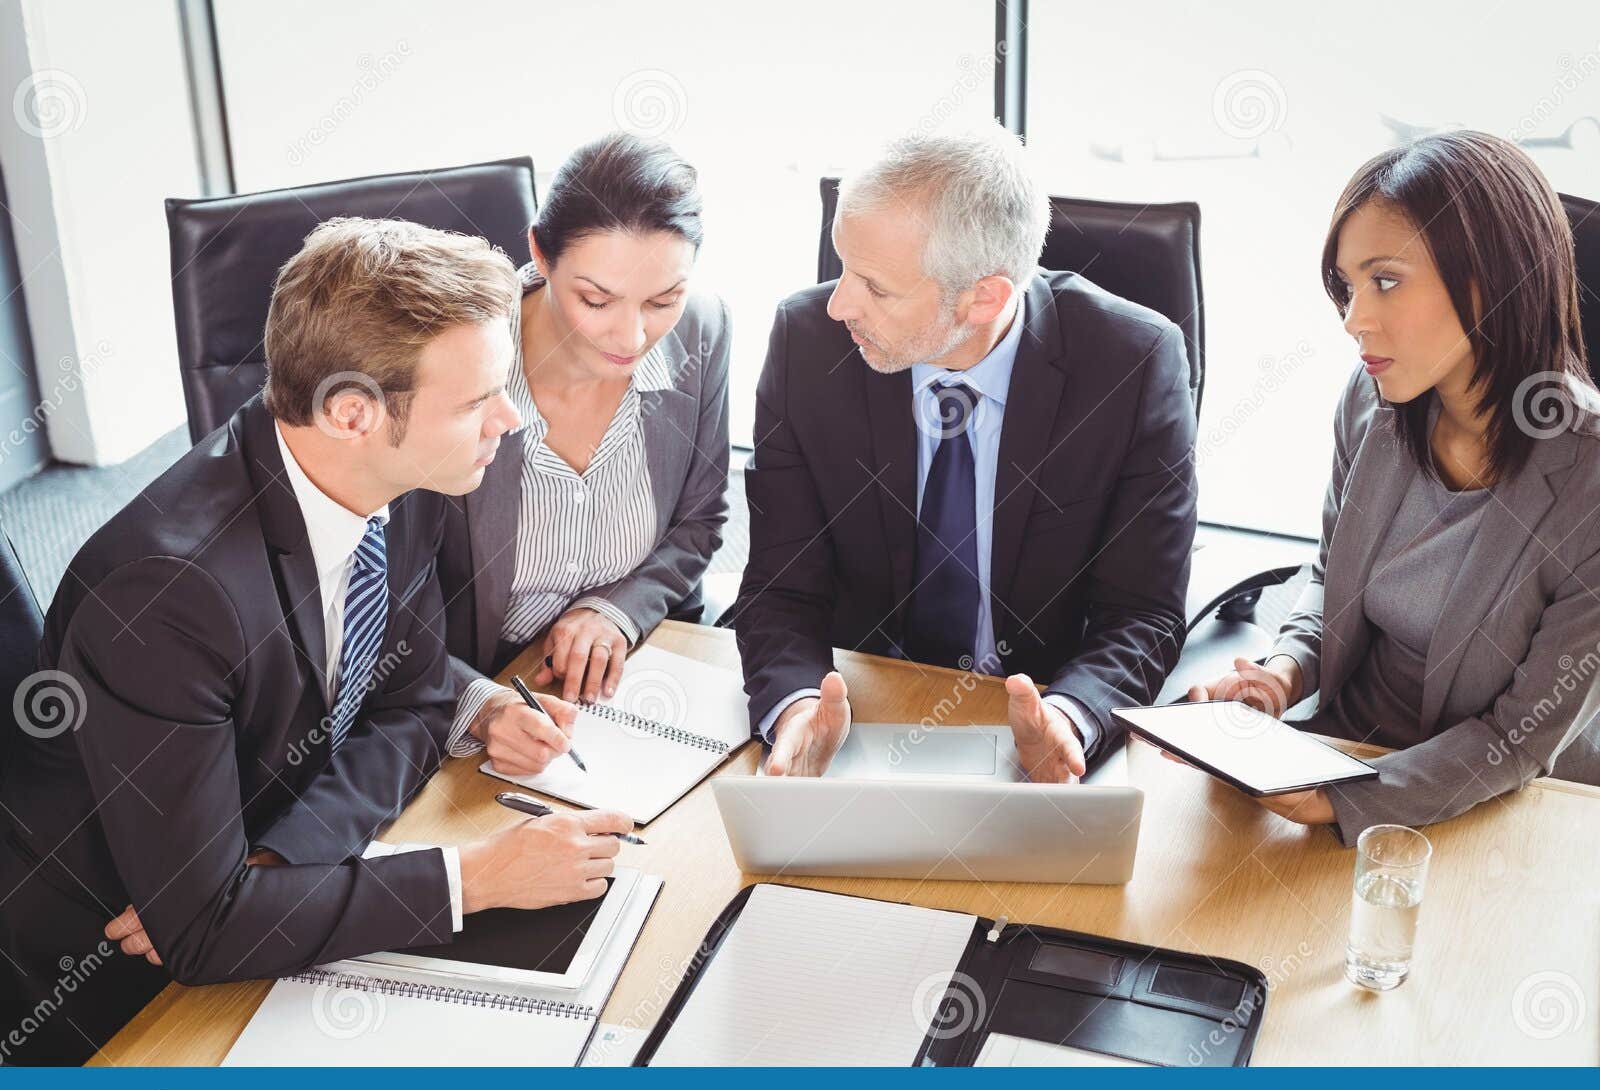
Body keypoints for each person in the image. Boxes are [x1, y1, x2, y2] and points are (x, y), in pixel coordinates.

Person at [0, 218, 630, 1065]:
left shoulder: (400, 479)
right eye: (479, 399)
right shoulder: (168, 595)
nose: (510, 420)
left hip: (244, 872)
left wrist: (273, 861)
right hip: (109, 979)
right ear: (351, 413)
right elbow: (201, 934)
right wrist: (475, 878)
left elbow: (413, 701)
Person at [731, 124, 1198, 779]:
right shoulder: (807, 342)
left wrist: (1069, 718)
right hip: (861, 709)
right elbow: (781, 588)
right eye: (843, 267)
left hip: (1028, 719)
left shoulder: (1134, 362)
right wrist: (797, 708)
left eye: (876, 286)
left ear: (985, 297)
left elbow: (1141, 612)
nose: (839, 304)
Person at [1188, 130, 1600, 844]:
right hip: (1340, 749)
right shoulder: (1372, 398)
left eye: (1384, 280)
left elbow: (1519, 738)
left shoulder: (1586, 479)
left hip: (1494, 803)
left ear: (1488, 280)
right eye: (1348, 288)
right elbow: (1329, 575)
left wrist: (1348, 798)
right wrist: (1281, 675)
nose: (1353, 320)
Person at [438, 132, 730, 776]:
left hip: (644, 672)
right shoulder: (451, 362)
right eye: (596, 300)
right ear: (540, 253)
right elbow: (378, 607)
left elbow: (700, 521)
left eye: (662, 301)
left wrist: (617, 609)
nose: (633, 337)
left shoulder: (704, 329)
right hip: (472, 692)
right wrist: (480, 704)